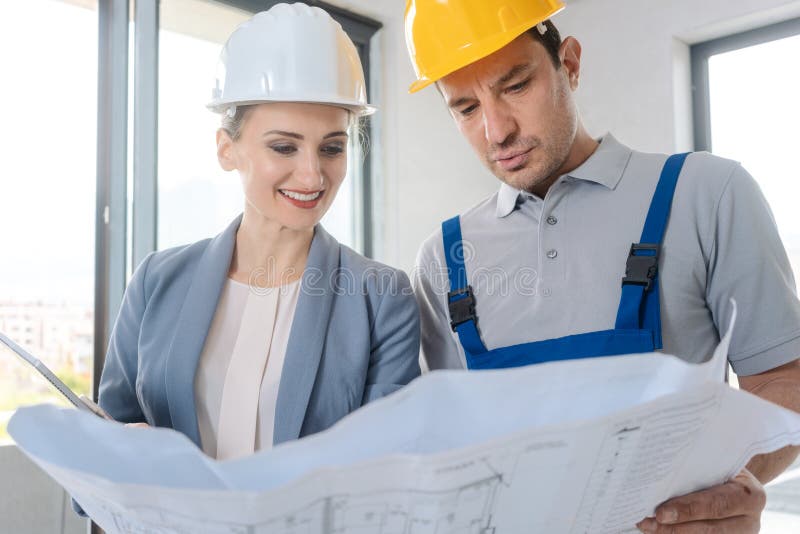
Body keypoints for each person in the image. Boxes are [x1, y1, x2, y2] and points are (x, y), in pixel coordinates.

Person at [405, 1, 800, 532]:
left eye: (516, 85)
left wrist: (721, 494)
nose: (496, 132)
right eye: (466, 108)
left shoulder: (707, 194)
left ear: (568, 63)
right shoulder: (442, 259)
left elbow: (783, 381)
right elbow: (453, 446)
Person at [97, 3, 420, 461]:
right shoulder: (156, 281)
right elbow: (102, 448)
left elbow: (391, 471)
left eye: (331, 148)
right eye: (283, 147)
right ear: (227, 150)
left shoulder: (382, 298)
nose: (312, 176)